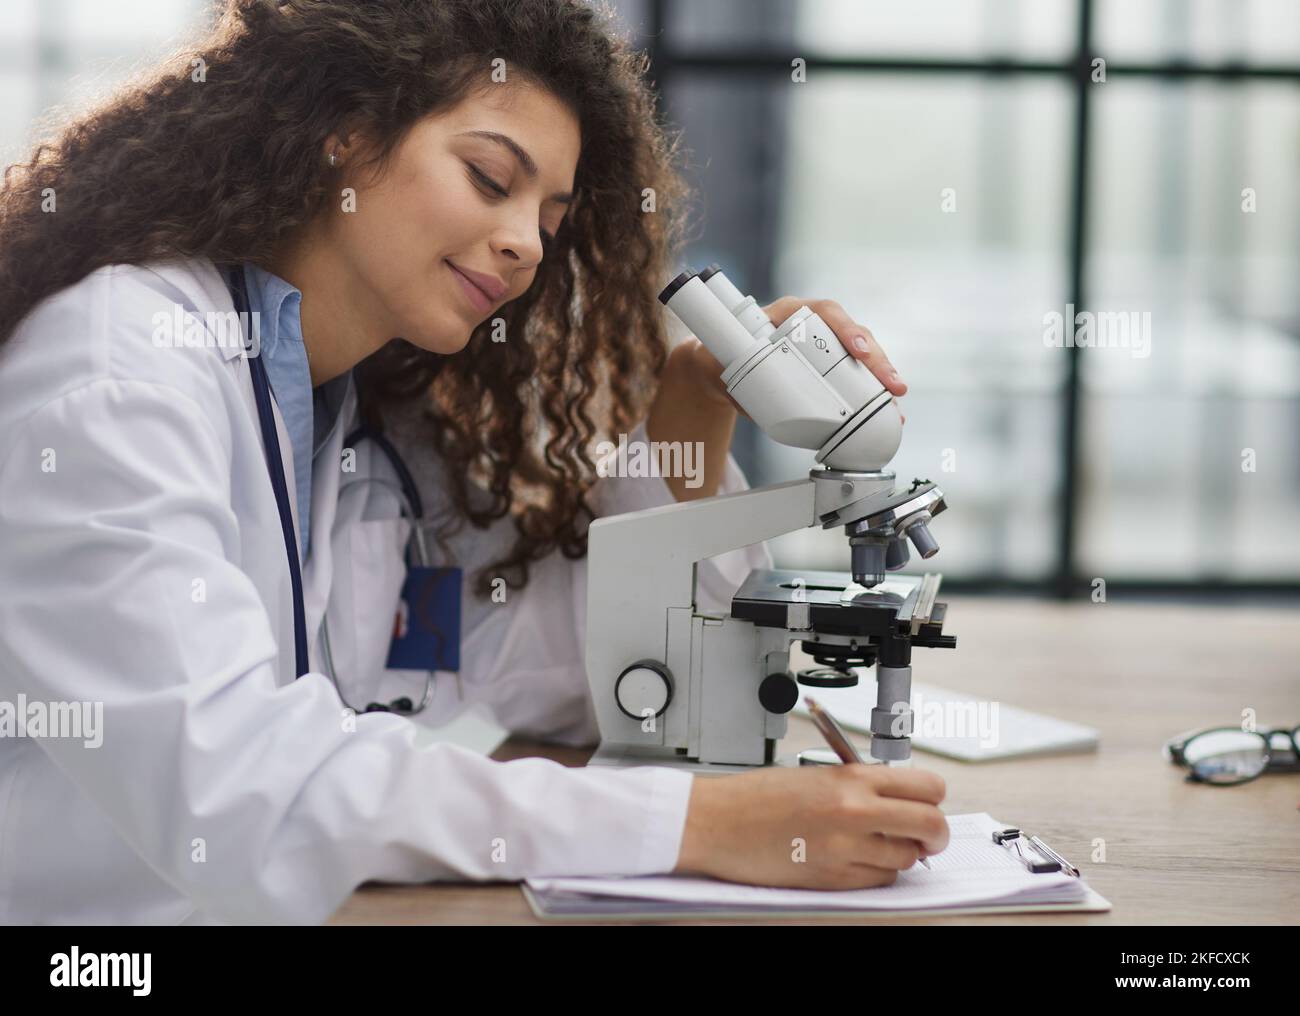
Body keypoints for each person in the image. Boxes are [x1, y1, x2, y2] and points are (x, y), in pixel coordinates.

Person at [0, 0, 948, 925]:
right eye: (492, 179)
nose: (525, 242)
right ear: (347, 132)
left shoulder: (356, 420)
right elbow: (236, 778)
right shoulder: (118, 371)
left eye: (551, 215)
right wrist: (699, 826)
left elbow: (577, 681)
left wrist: (692, 407)